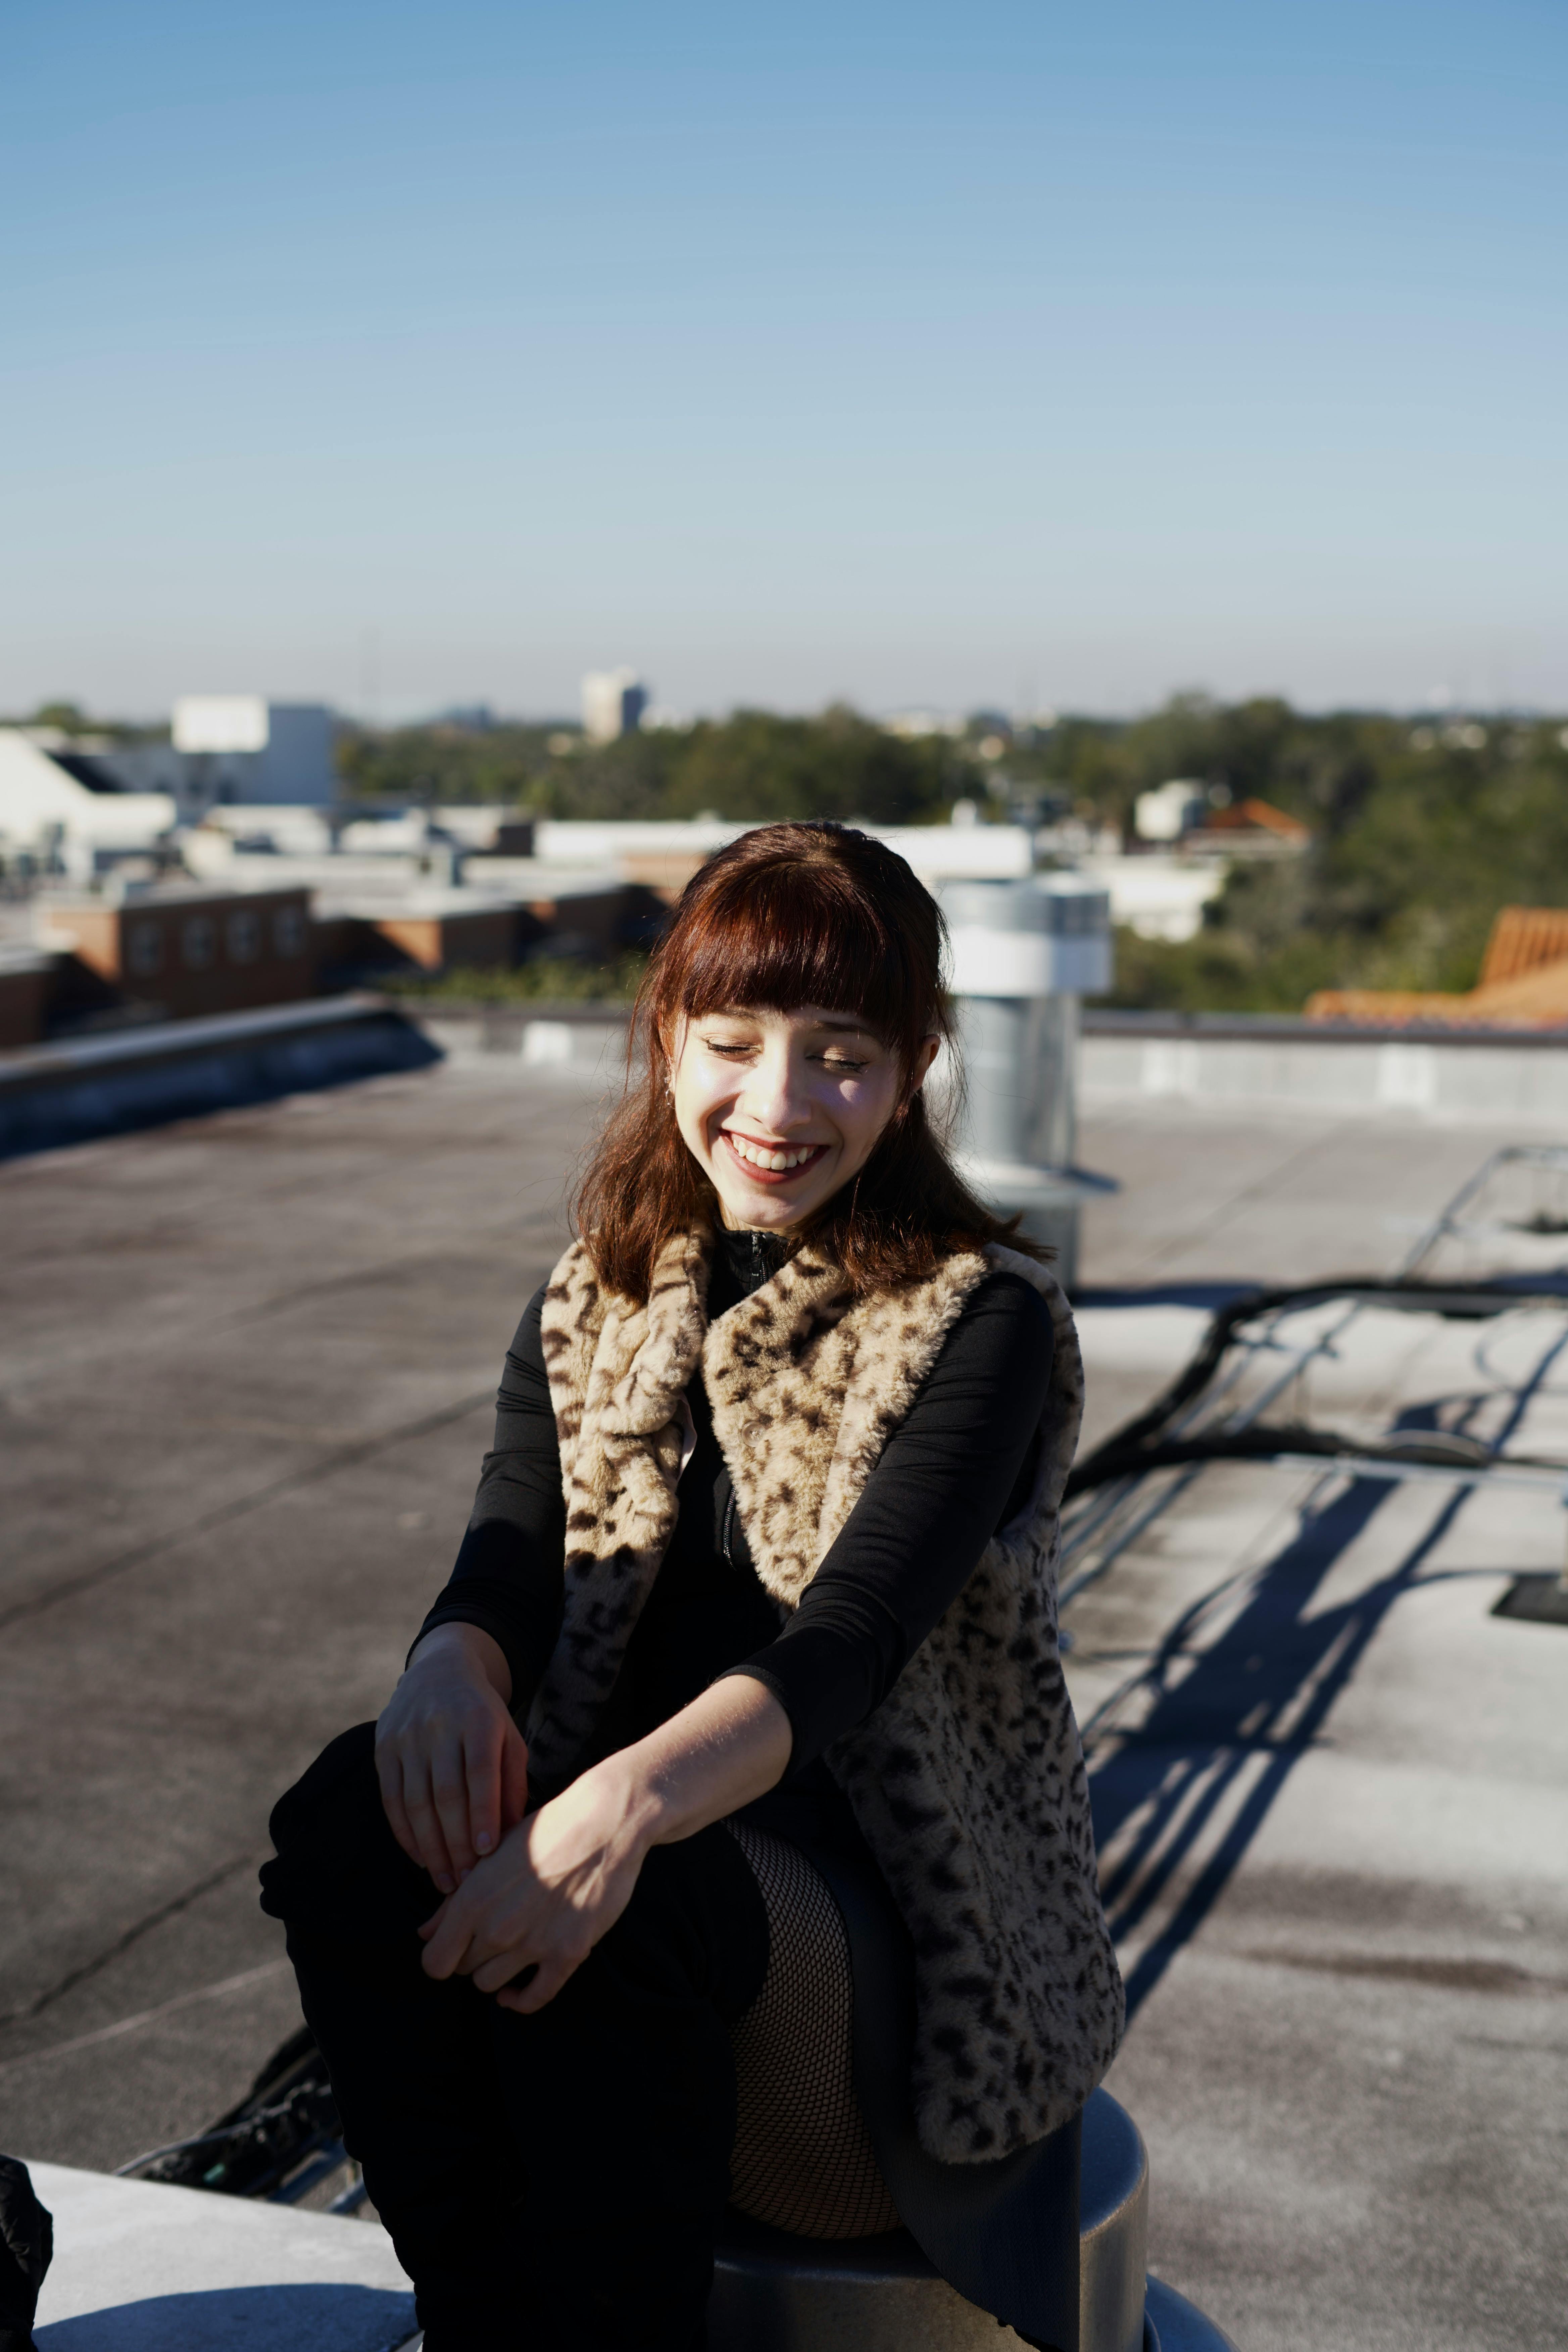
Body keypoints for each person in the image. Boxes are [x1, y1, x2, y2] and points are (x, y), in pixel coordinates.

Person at [260, 822, 1123, 2352]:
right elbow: (516, 1540)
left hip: (892, 1975)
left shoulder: (973, 1320)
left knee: (625, 1893)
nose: (778, 1106)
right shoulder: (599, 1284)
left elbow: (851, 1641)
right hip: (658, 1904)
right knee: (347, 1821)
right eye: (732, 1043)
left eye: (841, 1056)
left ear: (916, 1061)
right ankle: (478, 2314)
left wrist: (626, 1805)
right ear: (668, 1042)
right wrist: (449, 1670)